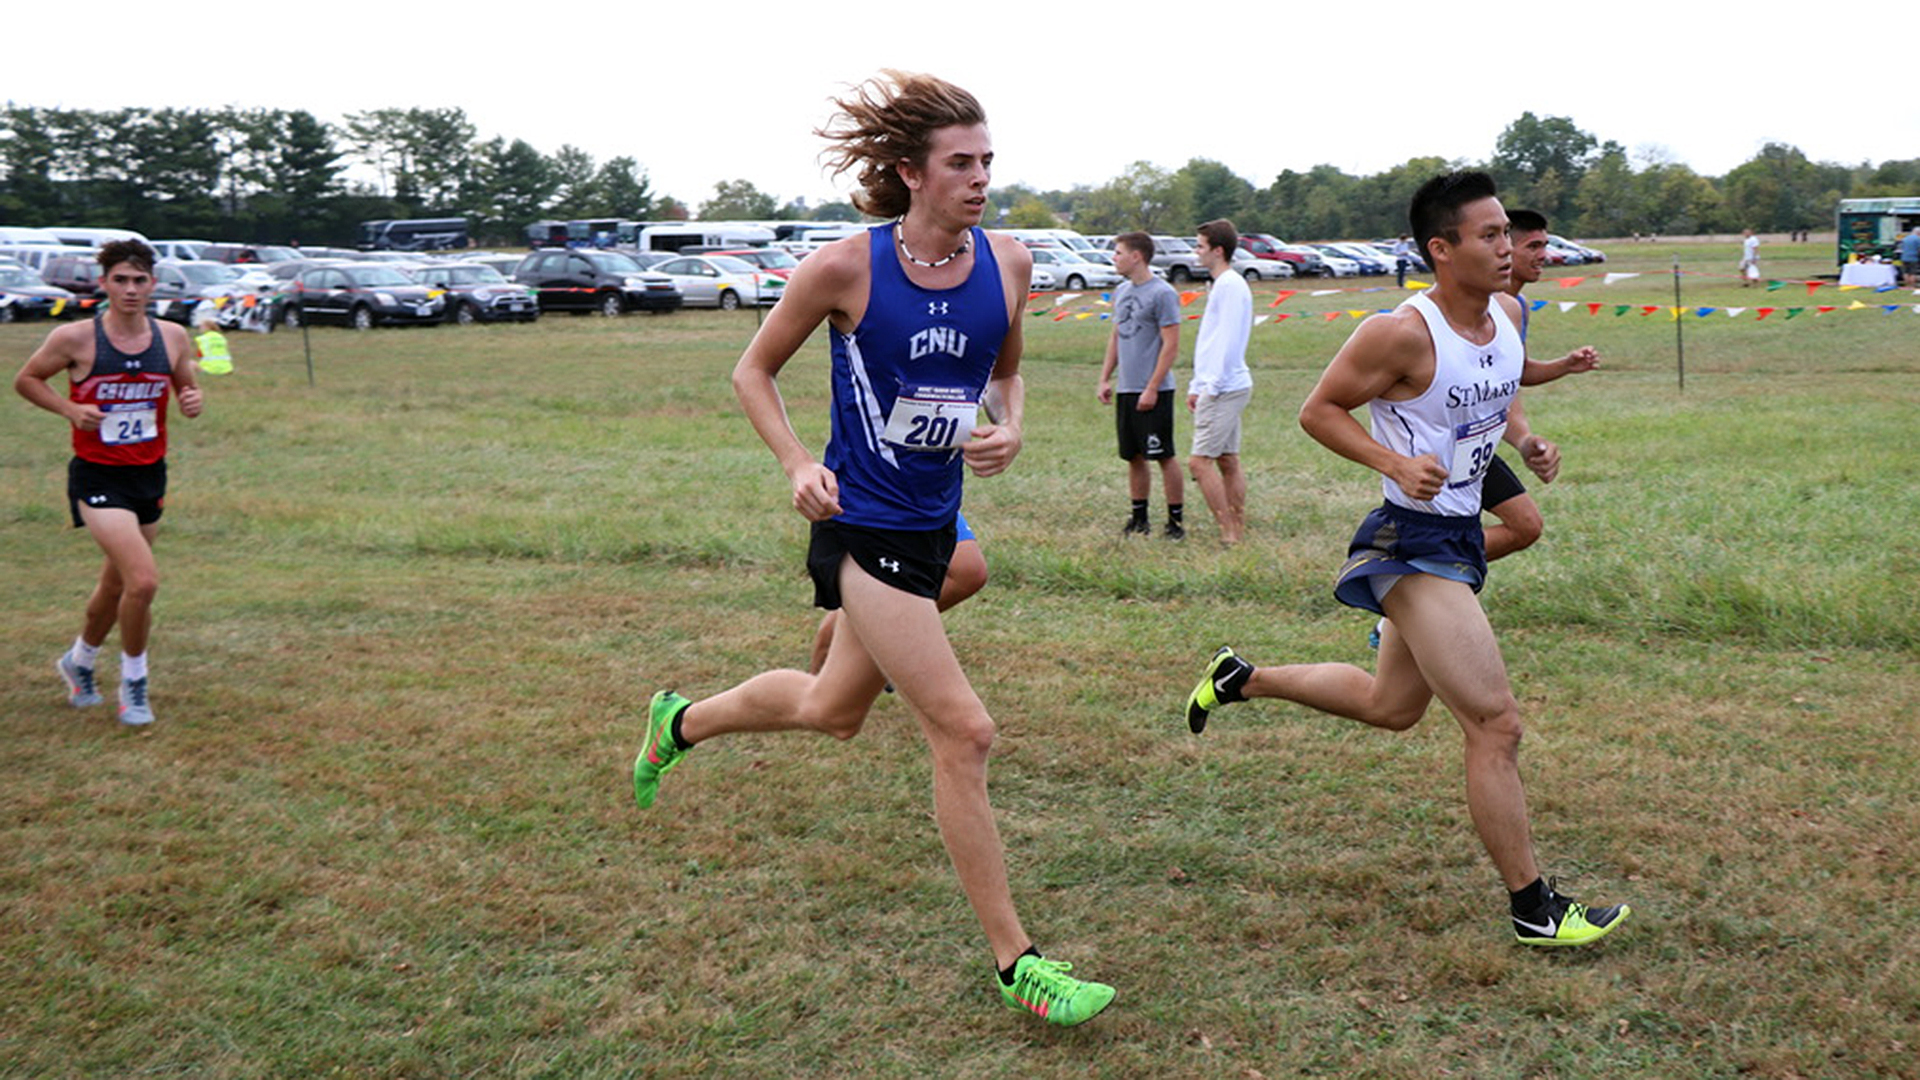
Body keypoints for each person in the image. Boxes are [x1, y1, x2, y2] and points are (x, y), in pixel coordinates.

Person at [631, 70, 1116, 1027]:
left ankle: (678, 722)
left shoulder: (1009, 262)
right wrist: (794, 464)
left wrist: (1008, 427)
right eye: (961, 164)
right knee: (965, 731)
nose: (981, 179)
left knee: (831, 709)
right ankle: (1018, 963)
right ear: (910, 172)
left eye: (988, 161)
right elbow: (752, 369)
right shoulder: (846, 268)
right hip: (861, 528)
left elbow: (1007, 375)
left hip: (937, 520)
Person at [1183, 171, 1631, 948]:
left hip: (1458, 538)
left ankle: (1240, 678)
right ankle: (1535, 908)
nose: (1510, 248)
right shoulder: (1399, 333)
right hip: (1412, 543)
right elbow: (1317, 411)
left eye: (1507, 234)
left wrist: (1526, 442)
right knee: (1495, 725)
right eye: (1489, 236)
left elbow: (1500, 386)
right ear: (1441, 248)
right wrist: (1391, 464)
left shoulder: (1508, 314)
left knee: (1391, 709)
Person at [14, 239, 205, 727]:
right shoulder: (75, 338)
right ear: (103, 284)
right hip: (98, 477)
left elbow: (184, 380)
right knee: (143, 581)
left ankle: (78, 661)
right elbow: (28, 380)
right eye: (120, 280)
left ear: (153, 286)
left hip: (148, 473)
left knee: (116, 582)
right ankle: (134, 683)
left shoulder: (172, 336)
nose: (130, 289)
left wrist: (190, 398)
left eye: (140, 280)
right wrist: (70, 408)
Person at [1481, 209, 1599, 562]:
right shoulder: (1489, 305)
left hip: (1475, 442)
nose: (1543, 255)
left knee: (1524, 526)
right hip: (1443, 443)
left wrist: (1565, 365)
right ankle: (1413, 562)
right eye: (1533, 246)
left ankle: (1420, 571)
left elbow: (1513, 374)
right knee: (1522, 526)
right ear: (1505, 249)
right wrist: (1522, 439)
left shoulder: (1517, 305)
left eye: (1545, 245)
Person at [1097, 231, 1185, 539]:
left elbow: (1171, 344)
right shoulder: (1121, 291)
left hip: (1155, 390)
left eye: (1118, 252)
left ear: (1137, 256)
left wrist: (1152, 386)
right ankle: (1139, 518)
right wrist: (1105, 377)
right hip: (1127, 388)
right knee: (1133, 456)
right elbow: (1116, 337)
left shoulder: (1162, 293)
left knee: (1163, 455)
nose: (1114, 258)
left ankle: (1175, 522)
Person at [1186, 219, 1253, 546]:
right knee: (1228, 460)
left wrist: (1209, 386)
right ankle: (1236, 527)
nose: (1195, 252)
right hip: (1222, 382)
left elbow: (1226, 340)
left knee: (1199, 463)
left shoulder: (1228, 285)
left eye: (1200, 246)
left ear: (1218, 250)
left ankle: (1229, 531)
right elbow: (1209, 340)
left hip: (1225, 386)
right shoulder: (1222, 284)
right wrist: (1196, 384)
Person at [193, 307, 234, 376]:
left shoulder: (203, 338)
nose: (200, 328)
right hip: (227, 369)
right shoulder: (221, 337)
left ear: (207, 327)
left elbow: (200, 355)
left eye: (201, 327)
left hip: (209, 368)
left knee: (190, 363)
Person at [1899, 225, 1920, 290]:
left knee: (1905, 272)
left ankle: (1907, 286)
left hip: (1904, 257)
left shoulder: (1905, 238)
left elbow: (1901, 248)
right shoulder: (1918, 239)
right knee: (1912, 273)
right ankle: (1912, 286)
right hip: (1913, 258)